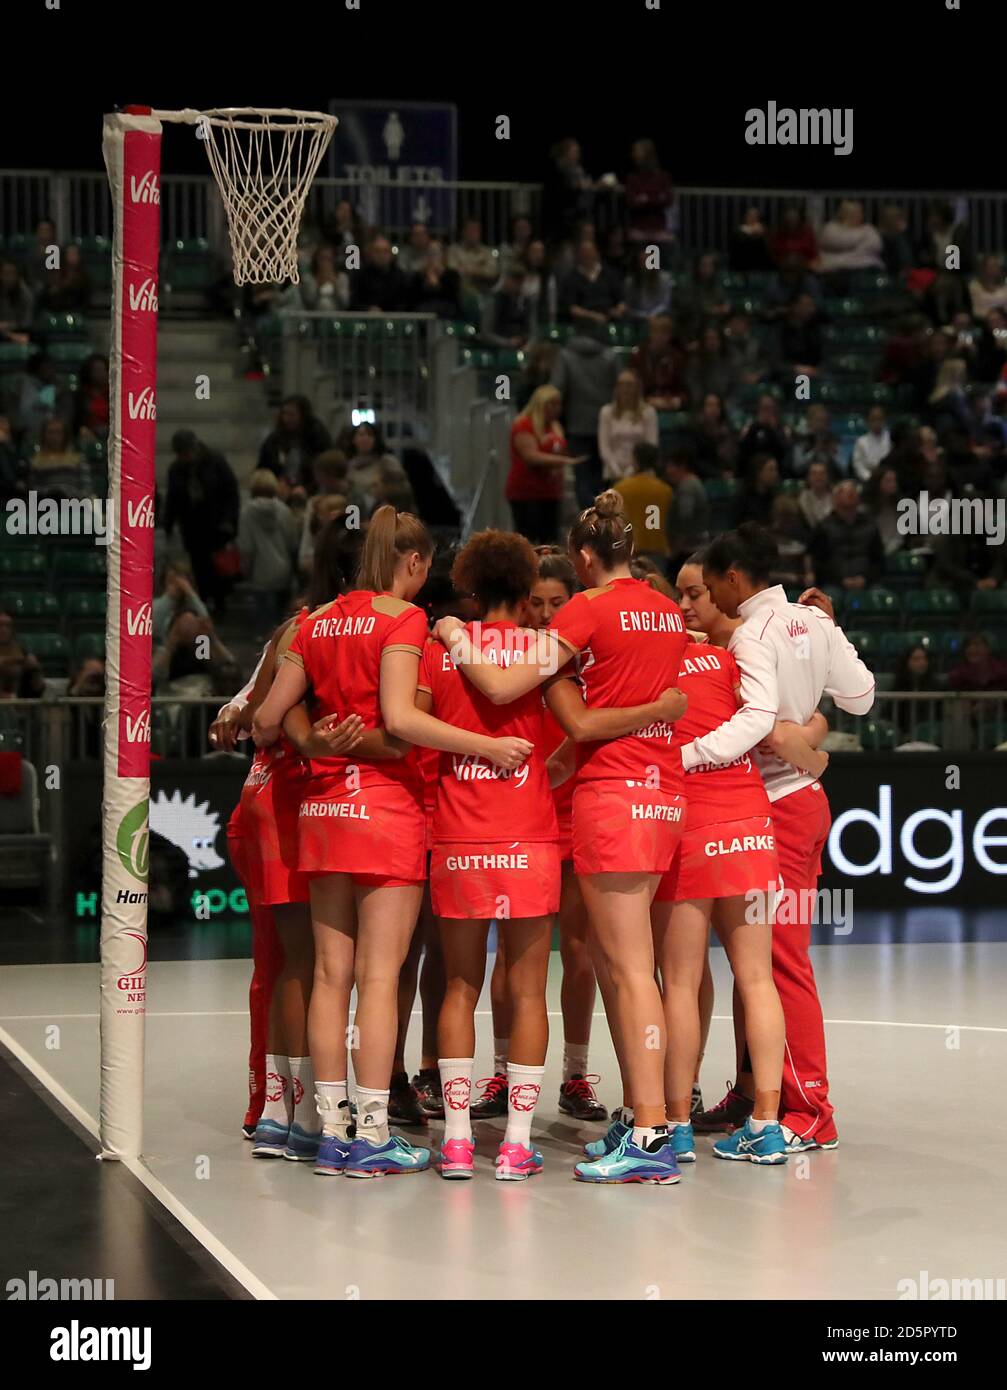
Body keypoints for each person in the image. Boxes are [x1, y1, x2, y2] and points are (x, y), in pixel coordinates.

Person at [252, 507, 533, 1179]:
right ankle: (371, 1132)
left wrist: (314, 736)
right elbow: (404, 721)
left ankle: (328, 1130)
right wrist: (487, 747)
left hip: (322, 809)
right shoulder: (402, 619)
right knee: (379, 978)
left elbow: (265, 717)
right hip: (385, 812)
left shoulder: (314, 621)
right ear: (412, 563)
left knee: (328, 974)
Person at [434, 491, 693, 1184]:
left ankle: (650, 1132)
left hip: (613, 799)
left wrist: (456, 636)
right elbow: (645, 703)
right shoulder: (669, 611)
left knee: (629, 971)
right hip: (665, 796)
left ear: (582, 557)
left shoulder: (587, 608)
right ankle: (651, 1120)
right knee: (622, 968)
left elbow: (502, 684)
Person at [685, 525, 876, 1150]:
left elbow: (760, 719)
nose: (707, 596)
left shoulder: (751, 634)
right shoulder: (813, 622)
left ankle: (810, 1109)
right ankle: (753, 1091)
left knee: (781, 963)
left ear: (734, 579)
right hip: (799, 803)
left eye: (710, 586)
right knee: (759, 962)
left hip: (776, 808)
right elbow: (862, 697)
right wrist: (830, 637)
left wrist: (686, 756)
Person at [417, 530, 562, 1179]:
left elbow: (414, 738)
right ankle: (515, 1144)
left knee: (458, 985)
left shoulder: (436, 652)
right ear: (529, 589)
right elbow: (571, 733)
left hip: (456, 835)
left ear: (468, 588)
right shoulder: (543, 651)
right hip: (528, 832)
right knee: (528, 990)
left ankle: (453, 1141)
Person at [550, 324, 620, 508]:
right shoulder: (611, 356)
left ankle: (587, 525)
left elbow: (557, 388)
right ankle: (604, 523)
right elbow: (619, 390)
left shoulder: (565, 356)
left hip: (577, 425)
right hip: (607, 425)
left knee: (582, 479)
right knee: (604, 478)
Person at [505, 384, 584, 543]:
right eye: (552, 404)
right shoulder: (523, 424)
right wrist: (564, 461)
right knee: (528, 539)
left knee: (549, 540)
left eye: (559, 404)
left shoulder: (555, 426)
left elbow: (560, 449)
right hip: (527, 492)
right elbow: (531, 456)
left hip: (551, 492)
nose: (557, 408)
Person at [237, 470, 300, 622]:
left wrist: (246, 570)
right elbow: (293, 543)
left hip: (260, 573)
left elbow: (247, 547)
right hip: (284, 573)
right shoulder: (284, 511)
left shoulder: (246, 513)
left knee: (263, 626)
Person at [811, 480, 885, 589]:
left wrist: (865, 578)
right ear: (835, 498)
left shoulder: (870, 525)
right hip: (833, 583)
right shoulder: (824, 526)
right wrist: (840, 580)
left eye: (853, 491)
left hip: (867, 583)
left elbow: (879, 560)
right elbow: (819, 562)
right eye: (844, 492)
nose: (850, 494)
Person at [612, 441, 673, 569]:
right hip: (657, 548)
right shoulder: (665, 490)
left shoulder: (621, 488)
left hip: (630, 548)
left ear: (635, 461)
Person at [258, 397, 332, 496]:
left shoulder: (318, 437)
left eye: (292, 415)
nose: (286, 419)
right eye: (284, 414)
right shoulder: (275, 440)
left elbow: (326, 467)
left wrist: (307, 488)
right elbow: (264, 467)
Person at [339, 421, 416, 517]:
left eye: (369, 435)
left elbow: (401, 491)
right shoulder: (348, 464)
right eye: (361, 434)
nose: (365, 438)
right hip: (354, 513)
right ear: (353, 439)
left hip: (383, 512)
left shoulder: (387, 462)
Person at [598, 370, 658, 482]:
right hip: (613, 473)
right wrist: (617, 472)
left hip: (641, 473)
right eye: (621, 384)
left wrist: (630, 472)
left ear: (637, 388)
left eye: (629, 385)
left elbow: (651, 445)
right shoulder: (606, 412)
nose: (625, 388)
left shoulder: (649, 412)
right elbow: (604, 448)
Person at [628, 314, 688, 411]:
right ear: (650, 333)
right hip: (643, 406)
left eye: (664, 333)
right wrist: (646, 400)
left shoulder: (677, 358)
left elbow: (684, 389)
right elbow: (632, 388)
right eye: (656, 332)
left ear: (670, 336)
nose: (659, 336)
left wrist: (676, 401)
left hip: (671, 405)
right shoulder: (638, 356)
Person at [665, 445, 711, 565]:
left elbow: (685, 520)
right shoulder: (692, 483)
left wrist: (675, 550)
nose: (668, 471)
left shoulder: (687, 487)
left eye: (671, 466)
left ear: (682, 466)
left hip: (689, 551)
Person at [624, 138, 674, 244]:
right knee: (642, 256)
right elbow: (631, 202)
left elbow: (668, 200)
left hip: (659, 230)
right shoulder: (632, 178)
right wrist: (656, 198)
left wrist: (645, 199)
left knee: (660, 254)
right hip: (639, 229)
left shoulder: (662, 177)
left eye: (637, 152)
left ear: (648, 154)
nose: (634, 155)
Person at [26, 417, 89, 499]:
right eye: (50, 432)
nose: (54, 436)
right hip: (45, 504)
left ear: (65, 435)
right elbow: (32, 489)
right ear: (44, 434)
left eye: (58, 432)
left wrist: (70, 496)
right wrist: (51, 494)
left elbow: (87, 487)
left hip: (74, 504)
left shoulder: (78, 459)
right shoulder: (35, 461)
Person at [815, 200, 883, 275]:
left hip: (866, 267)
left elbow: (875, 246)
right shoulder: (831, 228)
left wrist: (844, 258)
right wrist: (860, 239)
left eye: (860, 212)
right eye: (857, 212)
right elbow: (837, 242)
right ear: (847, 214)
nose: (861, 215)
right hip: (835, 270)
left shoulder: (868, 229)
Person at [350, 234, 411, 312]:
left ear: (391, 255)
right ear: (371, 254)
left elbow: (404, 303)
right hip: (365, 319)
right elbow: (354, 302)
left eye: (385, 251)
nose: (381, 255)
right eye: (377, 251)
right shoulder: (360, 275)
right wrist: (367, 309)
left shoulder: (400, 276)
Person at [687, 324, 741, 409]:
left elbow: (735, 389)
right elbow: (695, 389)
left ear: (721, 340)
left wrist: (723, 406)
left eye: (715, 338)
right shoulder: (695, 363)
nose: (712, 342)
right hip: (702, 406)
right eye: (709, 339)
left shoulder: (730, 361)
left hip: (726, 407)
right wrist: (707, 405)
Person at [480, 265, 534, 348]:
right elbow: (485, 333)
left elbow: (533, 331)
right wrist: (506, 342)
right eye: (514, 280)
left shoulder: (526, 301)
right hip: (498, 348)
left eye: (520, 282)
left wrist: (528, 344)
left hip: (522, 347)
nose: (517, 285)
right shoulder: (494, 300)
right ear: (506, 279)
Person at [409, 239, 463, 320]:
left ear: (443, 255)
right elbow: (413, 299)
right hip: (424, 313)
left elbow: (453, 297)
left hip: (447, 313)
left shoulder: (452, 274)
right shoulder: (419, 275)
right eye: (430, 253)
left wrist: (439, 280)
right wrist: (426, 282)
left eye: (436, 253)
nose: (433, 256)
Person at [687, 392, 738, 476]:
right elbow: (695, 460)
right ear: (702, 408)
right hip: (704, 476)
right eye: (709, 405)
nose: (714, 409)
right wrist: (719, 474)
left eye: (717, 405)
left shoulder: (728, 431)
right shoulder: (695, 431)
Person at [0, 607, 46, 698]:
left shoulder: (19, 648)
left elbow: (38, 685)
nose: (3, 630)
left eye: (7, 626)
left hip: (17, 699)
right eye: (0, 626)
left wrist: (35, 669)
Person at [446, 218, 498, 295]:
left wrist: (470, 272)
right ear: (463, 232)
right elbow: (453, 271)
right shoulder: (453, 250)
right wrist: (479, 269)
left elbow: (492, 272)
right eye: (470, 230)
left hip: (482, 292)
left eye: (476, 230)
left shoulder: (487, 252)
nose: (473, 234)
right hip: (458, 293)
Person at [36, 243, 91, 314]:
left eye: (74, 254)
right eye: (70, 254)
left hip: (75, 313)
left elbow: (83, 301)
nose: (72, 257)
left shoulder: (84, 279)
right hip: (55, 312)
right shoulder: (57, 274)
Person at [623, 245, 672, 320]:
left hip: (659, 318)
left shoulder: (664, 278)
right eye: (642, 261)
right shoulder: (630, 282)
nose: (645, 264)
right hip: (636, 320)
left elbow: (665, 304)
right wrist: (643, 316)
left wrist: (652, 315)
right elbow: (628, 306)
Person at [298, 244, 350, 312]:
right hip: (314, 317)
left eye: (329, 259)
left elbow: (345, 303)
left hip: (337, 317)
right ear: (316, 260)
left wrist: (335, 284)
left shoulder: (342, 278)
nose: (325, 263)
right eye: (322, 259)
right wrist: (318, 284)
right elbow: (308, 304)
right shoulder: (309, 279)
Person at [735, 452, 780, 527]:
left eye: (776, 470)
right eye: (771, 469)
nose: (775, 474)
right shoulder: (743, 498)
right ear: (758, 472)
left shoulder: (775, 497)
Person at [72, 354, 110, 444]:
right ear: (89, 372)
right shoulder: (79, 397)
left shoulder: (115, 395)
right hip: (87, 436)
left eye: (103, 370)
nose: (100, 373)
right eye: (96, 370)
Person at [851, 404, 893, 482]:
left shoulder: (891, 439)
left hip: (888, 479)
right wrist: (869, 478)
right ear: (868, 421)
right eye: (873, 419)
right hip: (868, 479)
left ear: (884, 420)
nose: (877, 422)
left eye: (879, 419)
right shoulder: (861, 441)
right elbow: (858, 465)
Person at [769, 205, 817, 270]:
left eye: (794, 217)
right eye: (789, 218)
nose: (791, 220)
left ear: (799, 219)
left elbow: (813, 254)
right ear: (785, 219)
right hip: (783, 266)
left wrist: (800, 259)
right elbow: (774, 253)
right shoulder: (779, 234)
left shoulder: (807, 233)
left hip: (804, 266)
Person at [729, 205, 775, 272]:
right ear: (745, 216)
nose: (753, 217)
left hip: (760, 265)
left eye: (755, 215)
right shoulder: (738, 230)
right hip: (740, 265)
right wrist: (751, 232)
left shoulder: (763, 231)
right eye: (750, 215)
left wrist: (760, 234)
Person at [0, 260, 34, 341]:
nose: (9, 277)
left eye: (12, 273)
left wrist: (8, 326)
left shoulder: (26, 295)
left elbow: (27, 323)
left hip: (20, 334)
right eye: (6, 273)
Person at [798, 458, 835, 531]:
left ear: (828, 477)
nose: (818, 477)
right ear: (808, 477)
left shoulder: (836, 496)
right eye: (814, 473)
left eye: (822, 473)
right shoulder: (803, 497)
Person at [969, 255, 1007, 322]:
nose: (995, 268)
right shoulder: (975, 285)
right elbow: (977, 309)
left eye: (996, 265)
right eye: (991, 266)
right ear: (983, 268)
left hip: (1004, 319)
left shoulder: (1005, 284)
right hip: (983, 320)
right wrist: (992, 316)